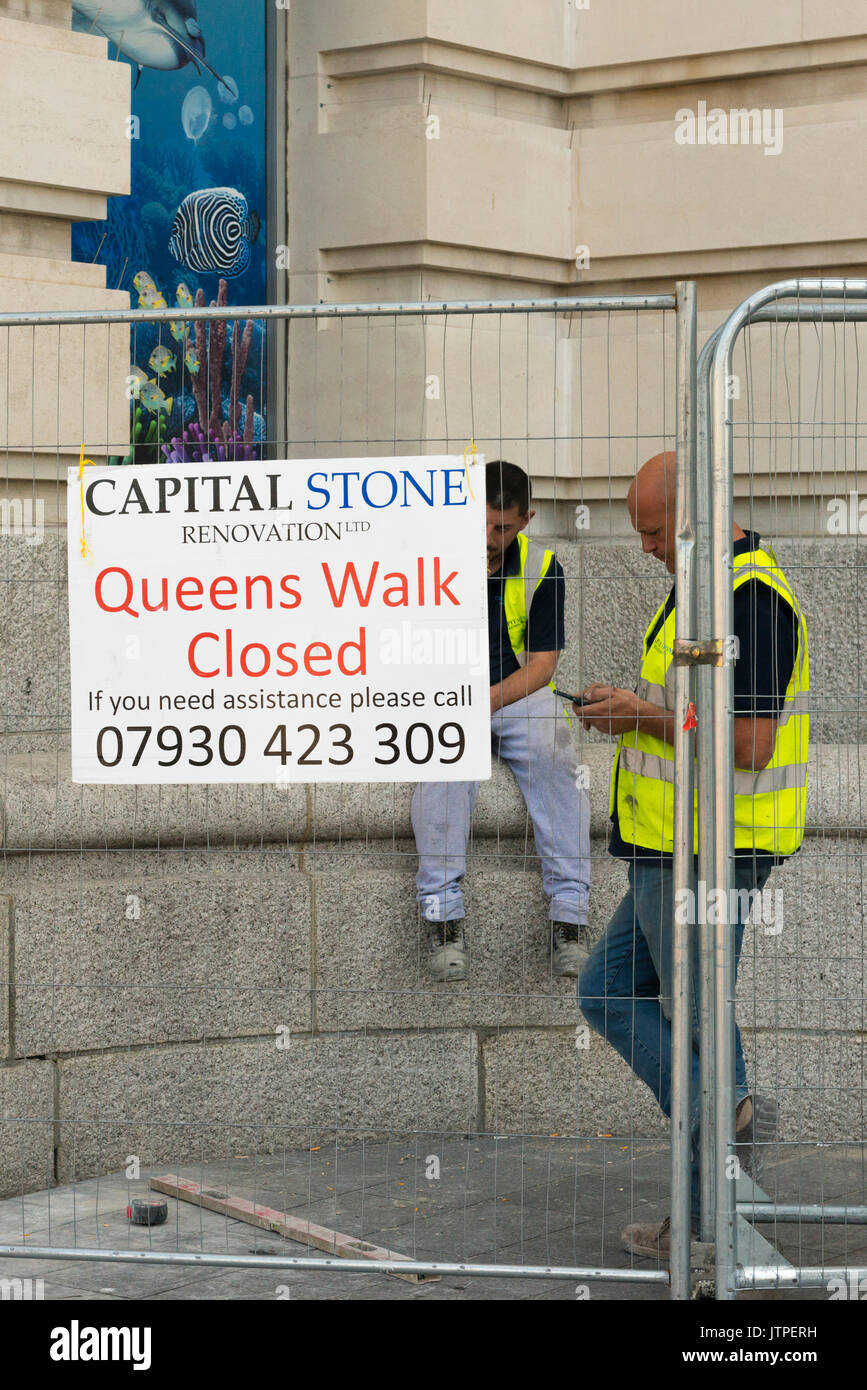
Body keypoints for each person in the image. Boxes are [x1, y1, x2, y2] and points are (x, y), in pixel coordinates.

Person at [575, 451, 808, 1258]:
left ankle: (710, 1223)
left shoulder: (749, 597)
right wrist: (635, 709)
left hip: (710, 851)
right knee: (607, 992)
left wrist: (638, 716)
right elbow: (690, 712)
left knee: (696, 1034)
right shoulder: (703, 586)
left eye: (650, 532)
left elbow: (749, 741)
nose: (642, 548)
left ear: (696, 517)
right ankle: (732, 1115)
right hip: (670, 846)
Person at [411, 460, 591, 982]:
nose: (491, 538)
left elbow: (542, 665)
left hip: (514, 691)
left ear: (526, 518)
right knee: (444, 763)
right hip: (448, 692)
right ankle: (442, 920)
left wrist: (485, 699)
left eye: (503, 527)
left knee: (556, 756)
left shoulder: (542, 566)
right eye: (483, 523)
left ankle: (569, 918)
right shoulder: (430, 558)